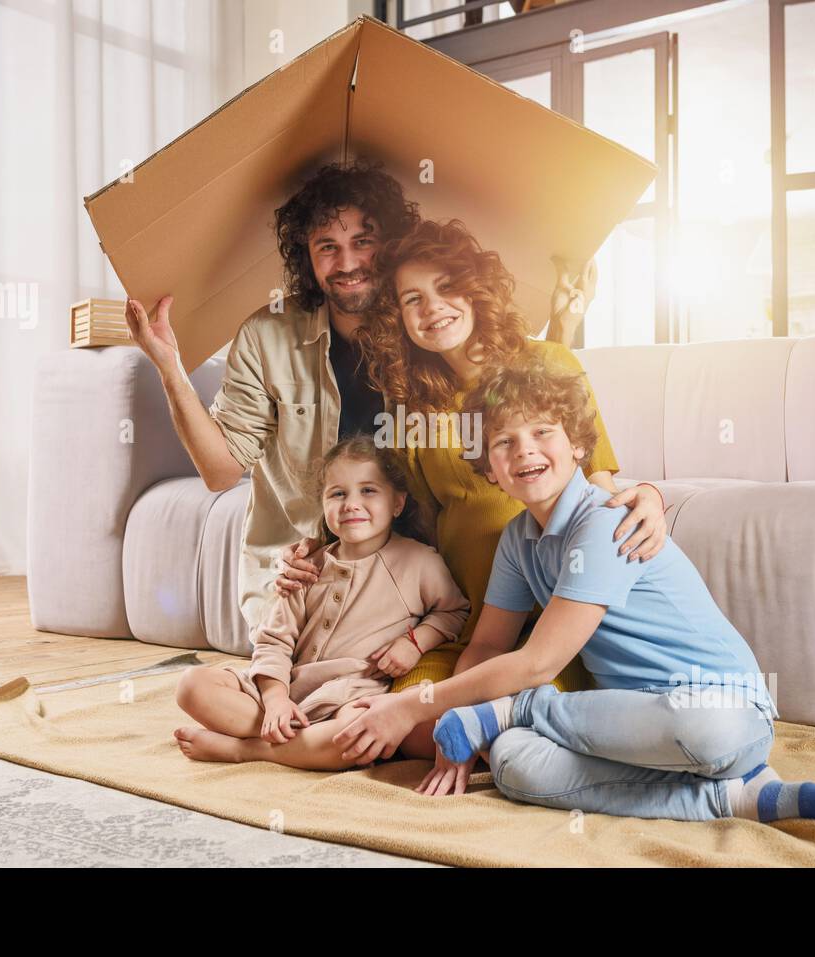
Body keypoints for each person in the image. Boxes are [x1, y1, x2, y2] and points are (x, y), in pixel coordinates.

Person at [331, 359, 815, 825]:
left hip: (721, 713)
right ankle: (737, 799)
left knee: (707, 733)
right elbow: (487, 646)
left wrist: (415, 707)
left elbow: (538, 662)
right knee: (513, 763)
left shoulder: (604, 522)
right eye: (503, 441)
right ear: (488, 467)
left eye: (542, 432)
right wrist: (452, 722)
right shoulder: (518, 538)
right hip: (618, 724)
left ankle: (518, 711)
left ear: (578, 444)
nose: (524, 450)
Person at [123, 159, 622, 637]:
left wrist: (564, 327)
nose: (348, 264)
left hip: (417, 570)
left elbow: (523, 396)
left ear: (388, 247)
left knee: (387, 699)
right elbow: (219, 471)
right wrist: (170, 367)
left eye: (363, 242)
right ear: (306, 257)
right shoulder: (267, 335)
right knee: (308, 694)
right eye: (327, 247)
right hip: (306, 567)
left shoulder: (429, 334)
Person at [275, 219, 669, 762]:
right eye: (412, 299)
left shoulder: (550, 363)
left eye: (447, 287)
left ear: (477, 291)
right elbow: (406, 518)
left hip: (551, 624)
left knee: (503, 736)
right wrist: (321, 549)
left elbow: (595, 484)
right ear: (398, 318)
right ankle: (258, 744)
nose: (432, 307)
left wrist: (648, 495)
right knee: (389, 724)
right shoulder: (408, 404)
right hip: (466, 623)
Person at [173, 436, 468, 770]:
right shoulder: (307, 566)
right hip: (287, 688)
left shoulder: (418, 562)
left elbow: (454, 611)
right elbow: (274, 642)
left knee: (355, 733)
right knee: (191, 686)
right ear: (323, 504)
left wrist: (414, 643)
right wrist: (275, 700)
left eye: (368, 490)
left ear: (397, 503)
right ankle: (299, 740)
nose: (351, 504)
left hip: (350, 695)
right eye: (338, 493)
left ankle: (247, 750)